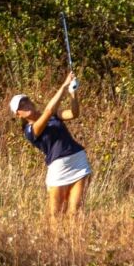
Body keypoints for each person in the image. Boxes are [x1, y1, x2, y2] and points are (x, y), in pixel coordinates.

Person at [9, 73, 90, 216]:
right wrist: (64, 86)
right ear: (18, 114)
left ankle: (74, 232)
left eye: (26, 101)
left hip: (79, 162)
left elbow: (74, 113)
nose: (25, 105)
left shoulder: (54, 116)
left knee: (74, 212)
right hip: (58, 169)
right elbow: (48, 111)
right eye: (21, 106)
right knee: (55, 215)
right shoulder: (29, 130)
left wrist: (73, 93)